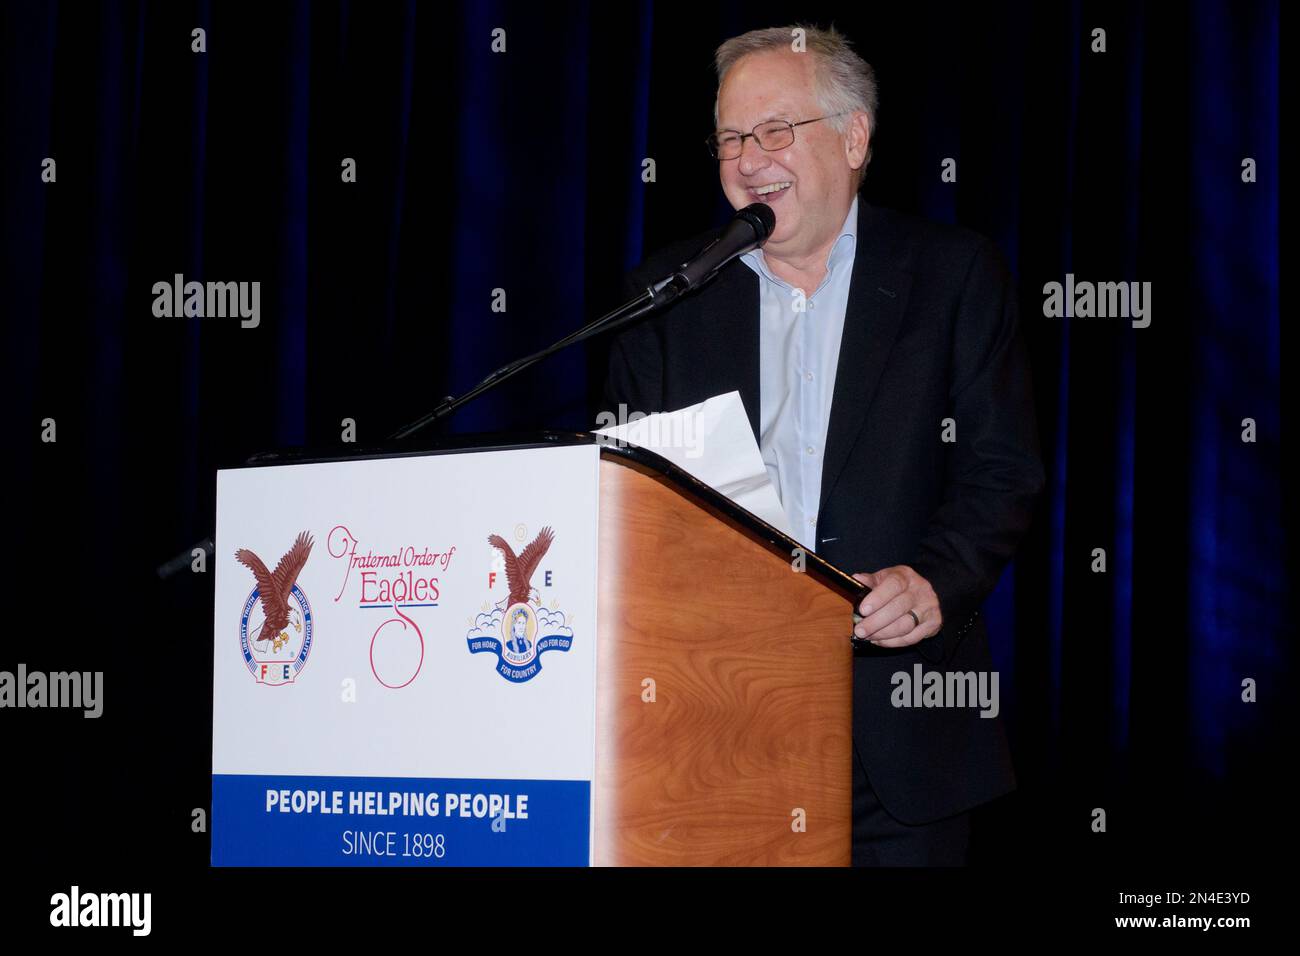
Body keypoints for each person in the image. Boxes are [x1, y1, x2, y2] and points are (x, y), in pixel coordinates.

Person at [603, 24, 1045, 865]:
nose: (747, 159)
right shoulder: (667, 295)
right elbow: (634, 499)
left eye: (775, 130)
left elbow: (1002, 471)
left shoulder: (952, 276)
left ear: (853, 138)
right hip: (716, 723)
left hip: (900, 737)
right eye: (731, 138)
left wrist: (937, 580)